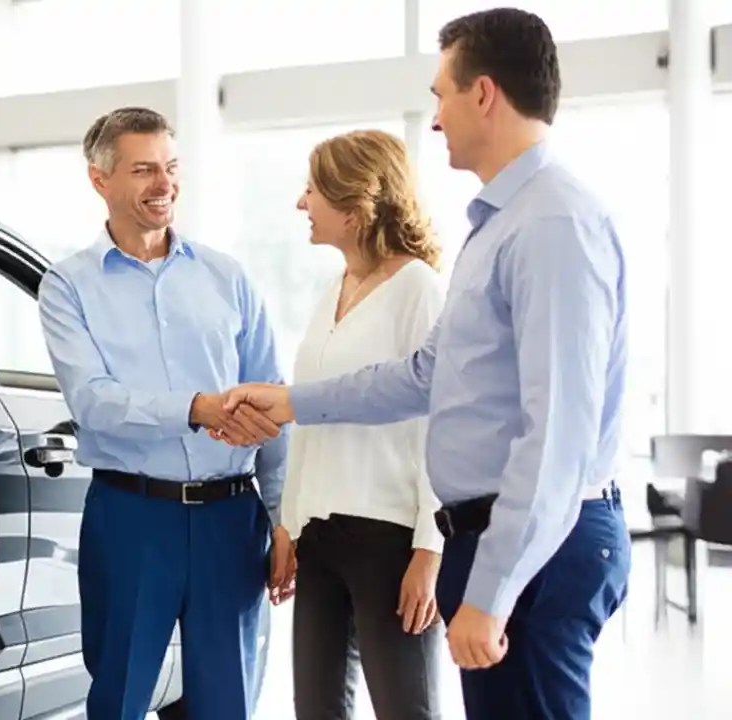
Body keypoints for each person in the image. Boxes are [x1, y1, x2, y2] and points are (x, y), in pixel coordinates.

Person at [217, 9, 631, 720]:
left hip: (535, 547)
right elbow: (423, 376)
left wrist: (491, 590)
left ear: (485, 94)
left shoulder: (551, 223)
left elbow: (557, 433)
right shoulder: (500, 225)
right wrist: (288, 402)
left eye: (441, 93)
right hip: (493, 533)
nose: (434, 118)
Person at [37, 106, 292, 720]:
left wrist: (285, 519)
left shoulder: (227, 278)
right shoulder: (68, 286)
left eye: (171, 167)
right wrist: (197, 408)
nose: (164, 185)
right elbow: (93, 402)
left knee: (227, 703)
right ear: (100, 180)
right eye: (144, 169)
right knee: (119, 698)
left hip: (232, 520)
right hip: (131, 519)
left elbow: (272, 401)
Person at [282, 129, 446, 720]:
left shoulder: (418, 290)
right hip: (321, 535)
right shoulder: (334, 288)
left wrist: (430, 549)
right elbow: (306, 412)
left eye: (312, 190)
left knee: (408, 710)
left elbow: (438, 422)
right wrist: (288, 522)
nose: (302, 203)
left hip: (391, 540)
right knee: (317, 711)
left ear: (354, 208)